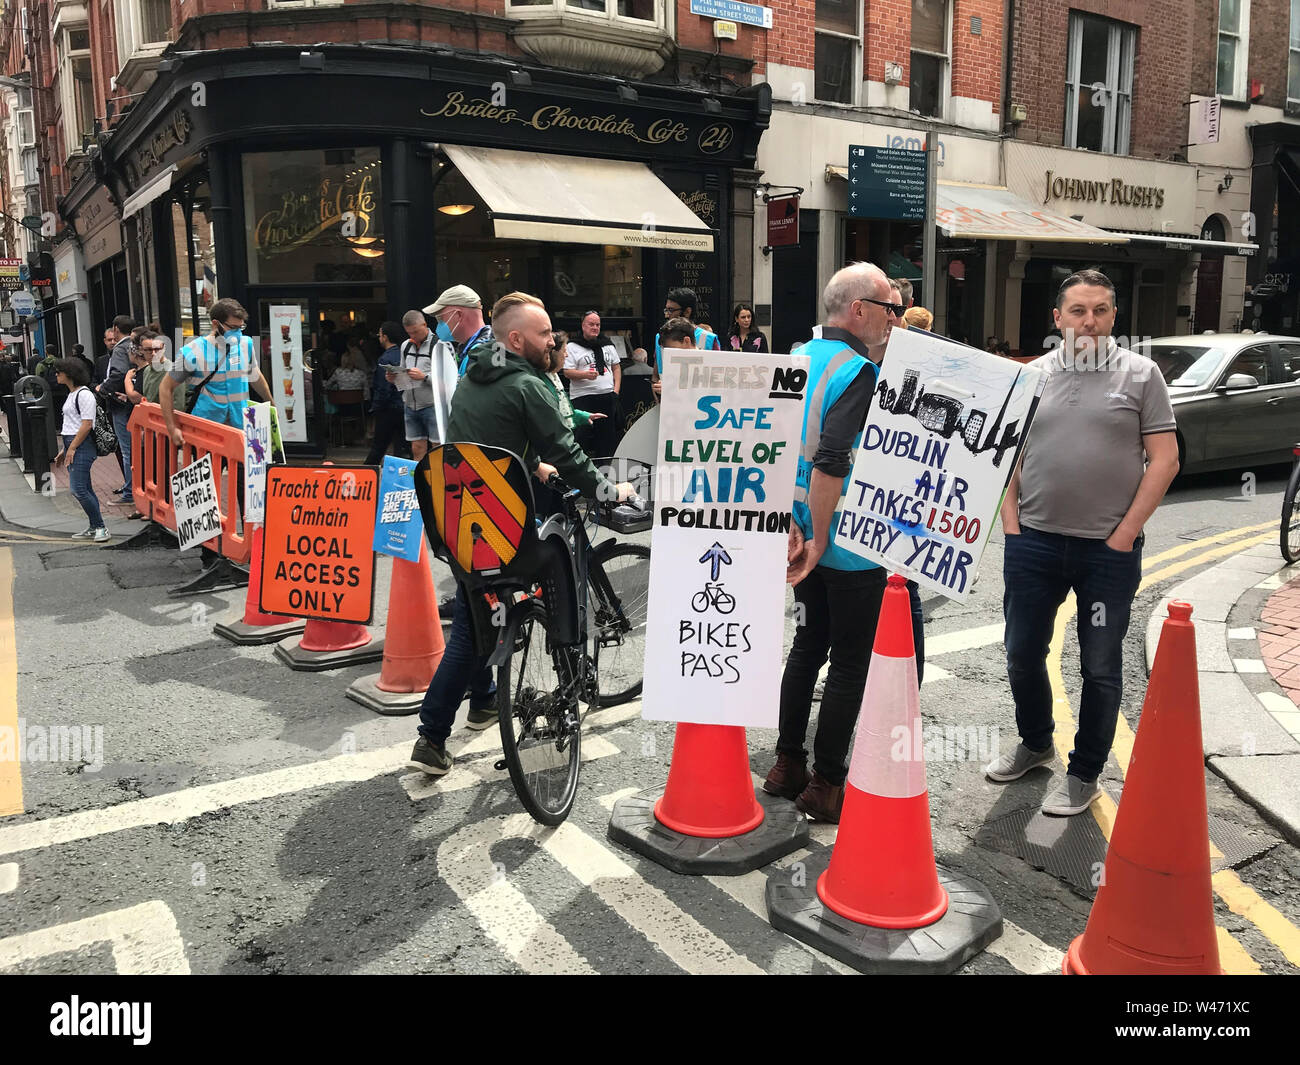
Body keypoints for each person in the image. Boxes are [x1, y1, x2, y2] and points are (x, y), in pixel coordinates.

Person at [407, 292, 636, 776]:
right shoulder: (530, 387)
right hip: (510, 530)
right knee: (556, 556)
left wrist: (535, 467)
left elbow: (495, 444)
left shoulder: (475, 377)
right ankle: (567, 661)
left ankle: (446, 728)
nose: (552, 339)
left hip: (463, 523)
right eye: (544, 333)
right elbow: (569, 450)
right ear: (516, 340)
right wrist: (607, 489)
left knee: (472, 628)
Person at [987, 269, 1180, 816]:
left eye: (1100, 310)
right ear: (1058, 319)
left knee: (1098, 665)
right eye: (1078, 311)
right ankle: (1036, 742)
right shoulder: (1031, 375)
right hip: (1034, 545)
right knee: (1022, 652)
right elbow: (1005, 452)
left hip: (1106, 555)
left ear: (1114, 317)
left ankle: (1085, 771)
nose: (1089, 321)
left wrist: (1122, 537)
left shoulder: (1141, 376)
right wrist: (1010, 520)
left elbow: (1165, 460)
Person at [764, 262, 910, 823]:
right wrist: (823, 538)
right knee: (849, 660)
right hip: (842, 542)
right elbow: (831, 461)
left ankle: (785, 765)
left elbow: (768, 446)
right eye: (889, 309)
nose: (893, 319)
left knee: (807, 646)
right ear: (859, 310)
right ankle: (826, 784)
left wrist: (792, 523)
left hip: (797, 534)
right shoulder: (856, 371)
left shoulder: (795, 357)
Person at [159, 298, 274, 583]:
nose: (238, 331)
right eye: (233, 327)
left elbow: (254, 375)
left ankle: (255, 551)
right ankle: (209, 557)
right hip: (206, 431)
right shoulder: (193, 350)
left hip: (240, 429)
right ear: (216, 324)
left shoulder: (245, 345)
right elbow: (166, 387)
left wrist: (271, 406)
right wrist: (172, 427)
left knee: (249, 489)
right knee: (200, 488)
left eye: (241, 326)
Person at [51, 358, 110, 543]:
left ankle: (101, 526)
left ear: (69, 374)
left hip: (82, 446)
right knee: (86, 488)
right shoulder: (72, 394)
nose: (56, 375)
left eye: (58, 371)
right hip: (73, 443)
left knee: (78, 490)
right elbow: (71, 424)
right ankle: (94, 526)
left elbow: (86, 424)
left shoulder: (84, 394)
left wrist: (72, 448)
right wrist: (64, 449)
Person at [391, 308, 458, 463]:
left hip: (433, 406)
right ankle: (420, 484)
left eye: (415, 332)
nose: (413, 336)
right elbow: (403, 372)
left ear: (424, 325)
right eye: (409, 333)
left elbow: (452, 379)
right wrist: (394, 377)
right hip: (410, 405)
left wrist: (425, 377)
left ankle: (437, 483)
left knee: (437, 448)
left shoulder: (441, 345)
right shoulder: (405, 346)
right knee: (416, 448)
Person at [564, 310, 621, 460]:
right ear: (583, 325)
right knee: (582, 436)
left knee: (606, 437)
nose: (595, 327)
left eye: (597, 324)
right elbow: (567, 372)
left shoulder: (608, 345)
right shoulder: (572, 346)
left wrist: (616, 391)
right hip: (583, 397)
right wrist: (585, 375)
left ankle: (605, 469)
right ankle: (579, 468)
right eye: (591, 324)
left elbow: (616, 368)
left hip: (607, 396)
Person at [95, 316, 137, 506]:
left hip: (121, 404)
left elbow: (118, 373)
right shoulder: (136, 344)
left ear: (116, 328)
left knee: (127, 450)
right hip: (134, 401)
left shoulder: (121, 348)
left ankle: (130, 492)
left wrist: (103, 389)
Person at [365, 321, 410, 466]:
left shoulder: (385, 359)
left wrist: (376, 407)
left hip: (388, 409)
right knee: (402, 447)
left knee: (378, 447)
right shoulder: (405, 354)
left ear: (385, 337)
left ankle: (365, 477)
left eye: (380, 334)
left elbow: (383, 388)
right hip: (404, 405)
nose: (379, 338)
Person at [424, 284, 492, 377]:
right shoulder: (469, 350)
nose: (439, 325)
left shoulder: (483, 355)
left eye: (440, 318)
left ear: (458, 315)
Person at [653, 286, 720, 376]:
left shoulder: (708, 338)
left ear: (687, 312)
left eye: (671, 310)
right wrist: (656, 388)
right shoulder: (660, 336)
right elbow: (655, 376)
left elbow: (718, 377)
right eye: (666, 310)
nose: (667, 315)